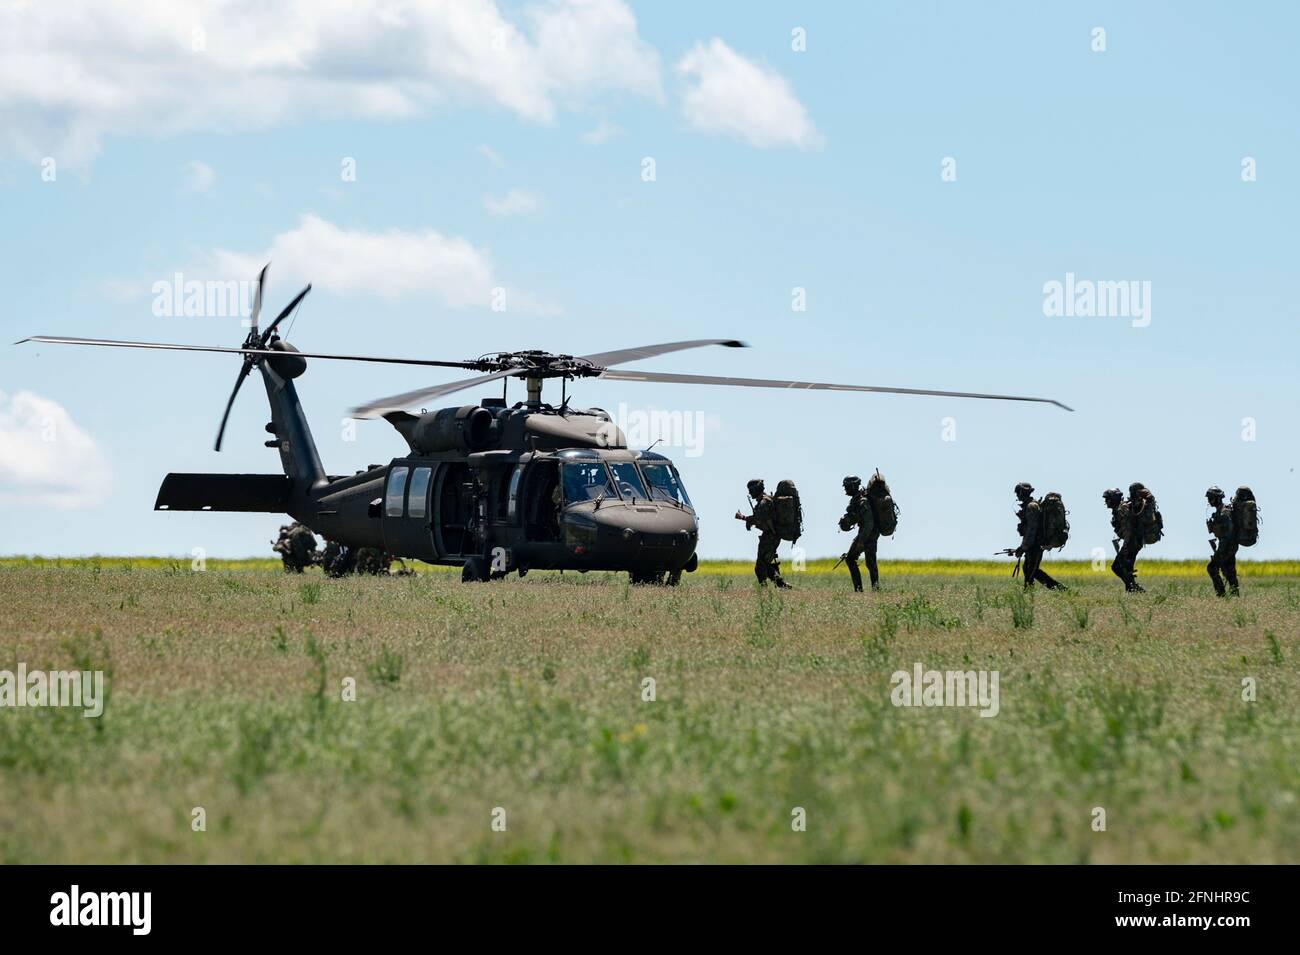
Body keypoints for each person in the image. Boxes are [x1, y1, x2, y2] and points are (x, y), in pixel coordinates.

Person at [735, 478, 790, 588]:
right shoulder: (766, 500)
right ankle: (782, 586)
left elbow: (758, 519)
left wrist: (743, 518)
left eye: (751, 490)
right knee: (765, 565)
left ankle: (767, 592)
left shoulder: (764, 502)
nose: (750, 493)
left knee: (760, 567)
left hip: (770, 537)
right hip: (771, 537)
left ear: (756, 489)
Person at [1013, 482, 1065, 590]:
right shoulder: (1031, 505)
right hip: (1033, 545)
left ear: (1023, 492)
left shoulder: (1031, 506)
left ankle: (1062, 590)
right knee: (1030, 571)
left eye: (1018, 492)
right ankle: (1061, 590)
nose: (1017, 495)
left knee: (1030, 573)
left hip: (1035, 545)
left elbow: (1032, 530)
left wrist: (1023, 547)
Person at [838, 475, 878, 592]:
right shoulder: (857, 499)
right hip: (865, 534)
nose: (845, 489)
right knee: (851, 559)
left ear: (853, 486)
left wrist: (861, 542)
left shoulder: (862, 501)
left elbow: (869, 524)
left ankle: (873, 591)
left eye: (847, 487)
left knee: (870, 563)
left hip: (869, 535)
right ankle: (860, 590)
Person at [1104, 485, 1144, 592]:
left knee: (1116, 567)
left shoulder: (1122, 509)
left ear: (1113, 499)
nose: (1106, 502)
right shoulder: (1120, 508)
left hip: (1131, 542)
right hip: (1135, 542)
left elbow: (1128, 529)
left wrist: (1125, 546)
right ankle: (1132, 591)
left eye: (1107, 499)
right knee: (1127, 569)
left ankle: (1135, 589)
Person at [1205, 485, 1239, 597]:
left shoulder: (1224, 512)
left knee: (1212, 568)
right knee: (1229, 572)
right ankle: (1234, 598)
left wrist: (1220, 551)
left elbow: (1227, 534)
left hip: (1227, 546)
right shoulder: (1220, 511)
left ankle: (1221, 595)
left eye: (1211, 498)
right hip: (1229, 546)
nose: (1209, 501)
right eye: (1208, 498)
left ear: (1217, 498)